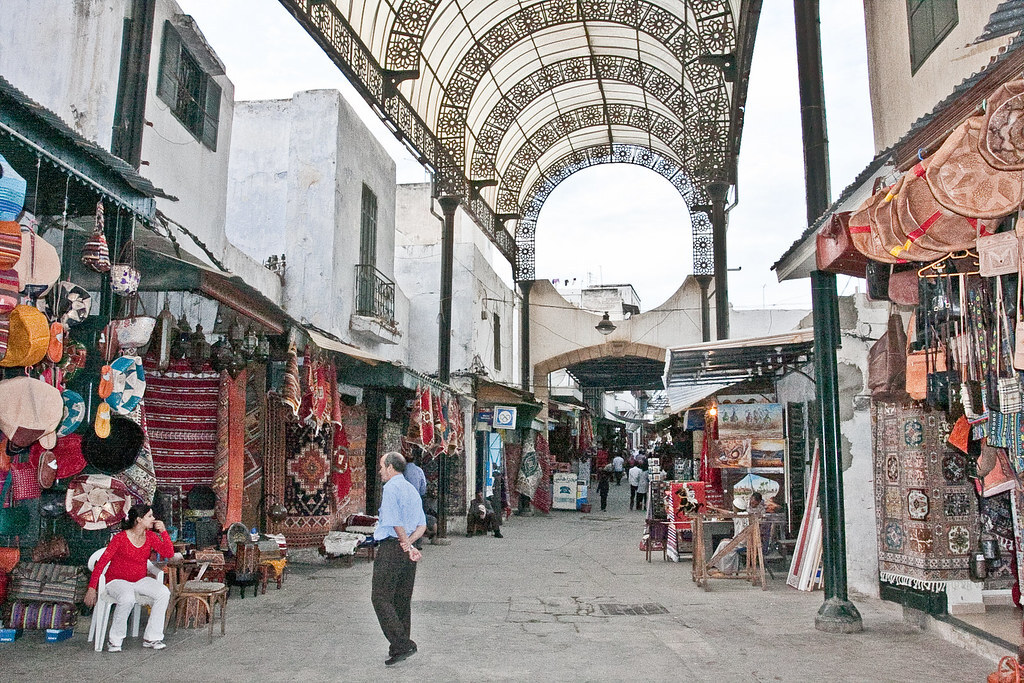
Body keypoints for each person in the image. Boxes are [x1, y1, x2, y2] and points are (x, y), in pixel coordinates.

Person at [84, 504, 173, 652]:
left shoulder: (150, 536)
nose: (153, 519)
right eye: (150, 516)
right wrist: (92, 588)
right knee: (127, 597)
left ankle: (152, 637)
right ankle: (115, 640)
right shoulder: (120, 538)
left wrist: (163, 532)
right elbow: (102, 564)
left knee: (163, 592)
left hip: (139, 580)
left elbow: (168, 553)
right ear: (139, 519)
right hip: (116, 581)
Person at [372, 452, 426, 666]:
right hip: (407, 547)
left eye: (381, 467)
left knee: (381, 597)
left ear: (390, 467)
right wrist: (410, 544)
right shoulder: (411, 489)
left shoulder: (391, 488)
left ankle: (402, 643)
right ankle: (399, 646)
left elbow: (395, 521)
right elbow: (422, 525)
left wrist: (403, 542)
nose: (380, 471)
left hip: (392, 548)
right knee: (401, 599)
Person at [709, 492, 768, 575]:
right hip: (743, 541)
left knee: (723, 545)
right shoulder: (745, 514)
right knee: (723, 542)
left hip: (743, 543)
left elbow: (726, 513)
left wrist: (714, 508)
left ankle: (725, 570)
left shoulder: (740, 515)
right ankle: (721, 569)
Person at [489, 471, 505, 538]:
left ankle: (496, 530)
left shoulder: (498, 483)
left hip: (495, 499)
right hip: (490, 500)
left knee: (494, 514)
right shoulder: (492, 481)